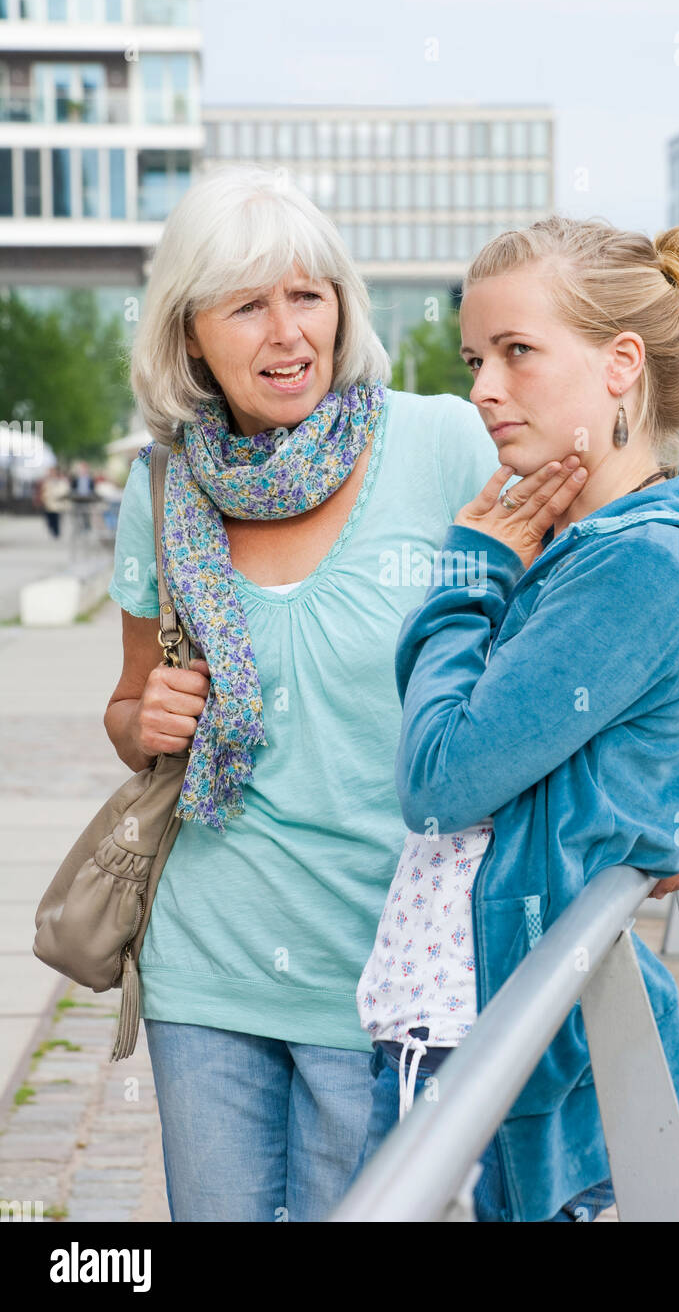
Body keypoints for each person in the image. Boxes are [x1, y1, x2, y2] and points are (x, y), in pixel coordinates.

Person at [104, 163, 522, 1222]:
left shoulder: (440, 445)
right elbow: (125, 707)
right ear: (190, 334)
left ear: (343, 306)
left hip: (391, 970)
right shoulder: (162, 488)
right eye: (247, 304)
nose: (287, 332)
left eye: (308, 295)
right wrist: (142, 718)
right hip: (209, 964)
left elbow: (586, 604)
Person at [354, 216, 679, 1222]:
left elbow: (440, 778)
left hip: (501, 1039)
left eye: (516, 352)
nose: (481, 389)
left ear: (619, 365)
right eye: (473, 358)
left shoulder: (630, 564)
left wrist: (466, 569)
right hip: (505, 1024)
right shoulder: (597, 544)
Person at [39, 466, 70, 540]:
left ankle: (56, 533)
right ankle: (53, 530)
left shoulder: (61, 480)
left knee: (56, 519)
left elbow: (64, 490)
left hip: (57, 504)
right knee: (49, 519)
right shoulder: (47, 481)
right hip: (48, 503)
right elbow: (43, 491)